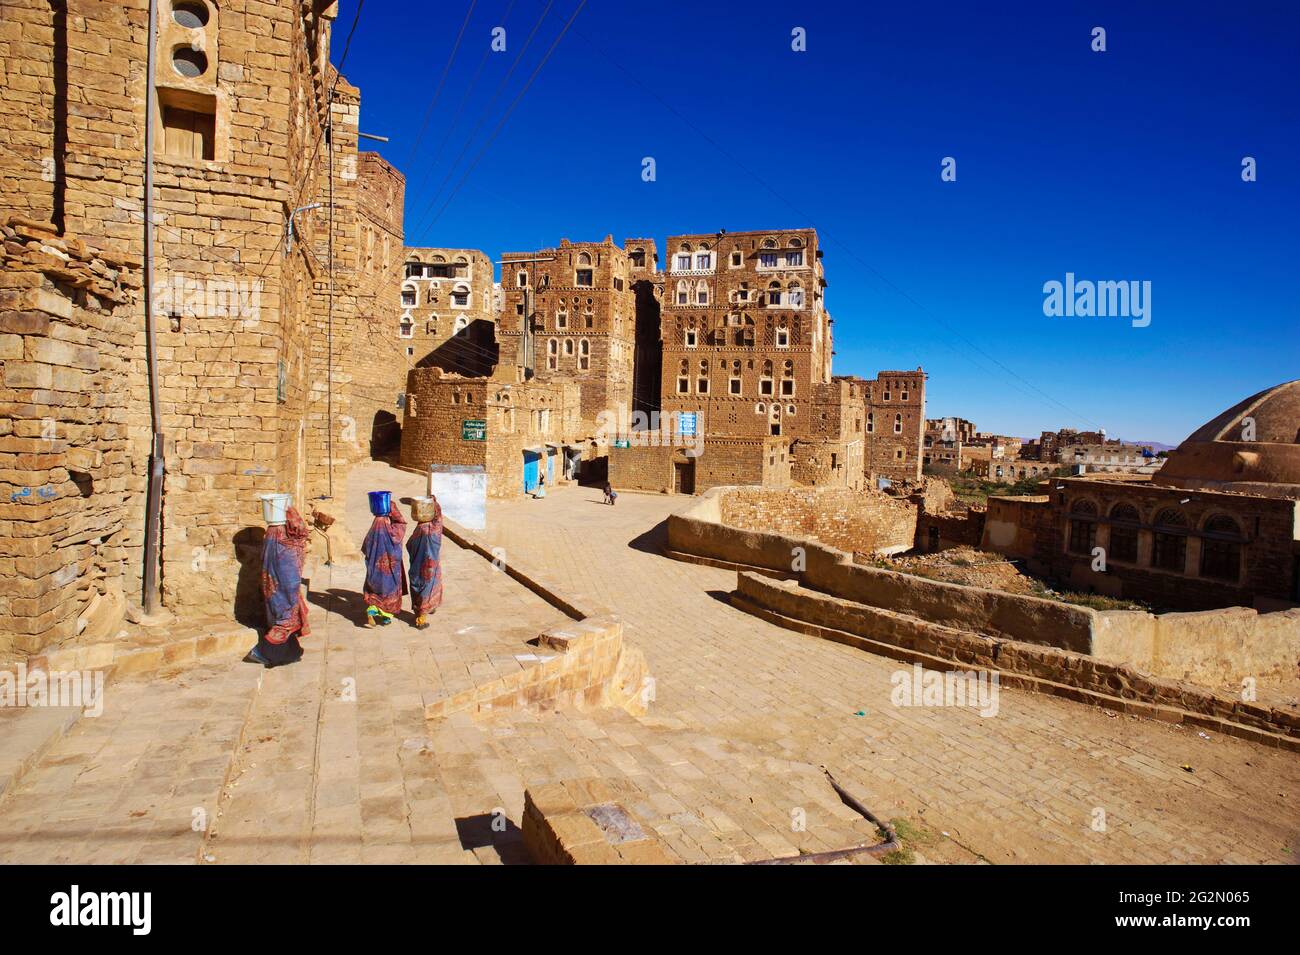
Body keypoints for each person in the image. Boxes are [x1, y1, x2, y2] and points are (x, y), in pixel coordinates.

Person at [247, 505, 310, 667]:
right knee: (285, 621)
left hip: (272, 589)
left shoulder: (270, 535)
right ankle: (261, 652)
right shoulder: (287, 543)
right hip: (285, 590)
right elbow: (290, 573)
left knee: (283, 619)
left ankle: (293, 653)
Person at [362, 499, 407, 626]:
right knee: (388, 594)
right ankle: (386, 618)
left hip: (375, 571)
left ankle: (371, 611)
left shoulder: (374, 527)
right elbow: (401, 522)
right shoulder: (393, 532)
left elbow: (365, 547)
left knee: (374, 593)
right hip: (389, 572)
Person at [406, 497, 444, 630]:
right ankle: (421, 619)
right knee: (428, 587)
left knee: (417, 586)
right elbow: (439, 518)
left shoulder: (418, 530)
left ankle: (424, 608)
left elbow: (409, 545)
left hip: (416, 567)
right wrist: (435, 503)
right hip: (430, 568)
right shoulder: (434, 530)